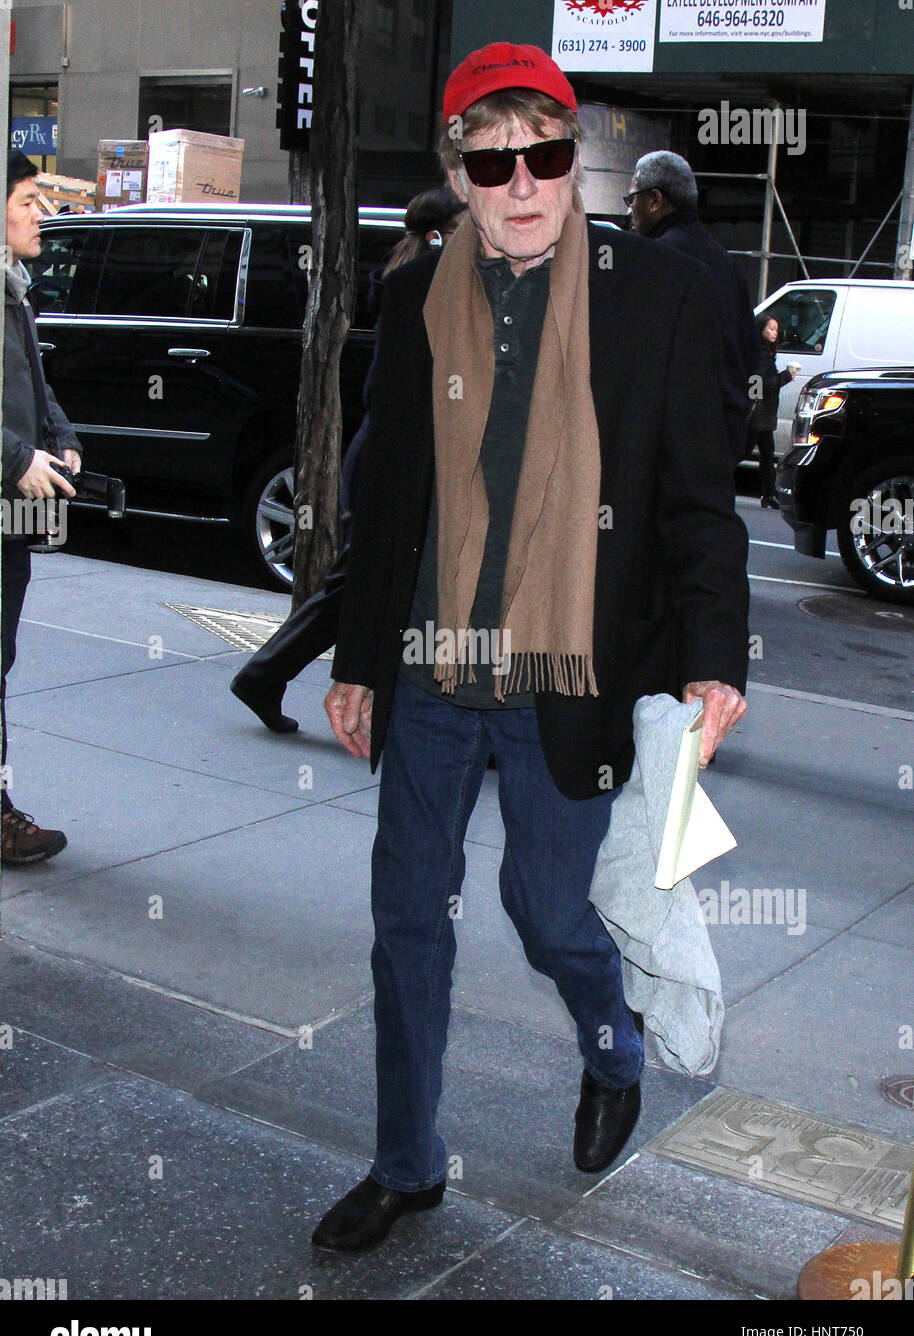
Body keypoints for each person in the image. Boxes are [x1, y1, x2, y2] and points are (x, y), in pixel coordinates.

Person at [314, 42, 750, 1254]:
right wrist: (354, 659)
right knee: (407, 917)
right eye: (493, 160)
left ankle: (610, 1045)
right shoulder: (413, 295)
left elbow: (695, 499)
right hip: (431, 665)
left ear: (573, 163)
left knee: (549, 910)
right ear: (459, 169)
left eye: (544, 156)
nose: (520, 184)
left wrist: (715, 655)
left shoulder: (646, 293)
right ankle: (405, 1164)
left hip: (573, 667)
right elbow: (389, 486)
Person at [230, 187, 467, 733]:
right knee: (361, 583)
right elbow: (389, 389)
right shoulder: (423, 287)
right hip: (394, 460)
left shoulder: (418, 279)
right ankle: (270, 676)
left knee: (361, 581)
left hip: (391, 455)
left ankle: (267, 676)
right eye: (463, 229)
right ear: (437, 235)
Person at [2, 151, 79, 866]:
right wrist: (15, 458)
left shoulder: (13, 290)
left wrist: (59, 439)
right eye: (27, 197)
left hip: (12, 521)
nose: (40, 212)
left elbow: (35, 382)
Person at [625, 150, 759, 467]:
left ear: (655, 200)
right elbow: (749, 352)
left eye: (633, 200)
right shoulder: (725, 262)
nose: (631, 211)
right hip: (722, 436)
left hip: (671, 442)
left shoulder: (654, 259)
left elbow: (637, 356)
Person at [746, 315, 797, 508]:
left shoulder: (765, 353)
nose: (775, 332)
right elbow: (757, 382)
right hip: (759, 415)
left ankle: (768, 494)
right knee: (744, 451)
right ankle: (717, 484)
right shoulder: (761, 354)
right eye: (770, 329)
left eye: (776, 329)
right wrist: (785, 377)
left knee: (767, 455)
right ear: (761, 331)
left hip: (762, 414)